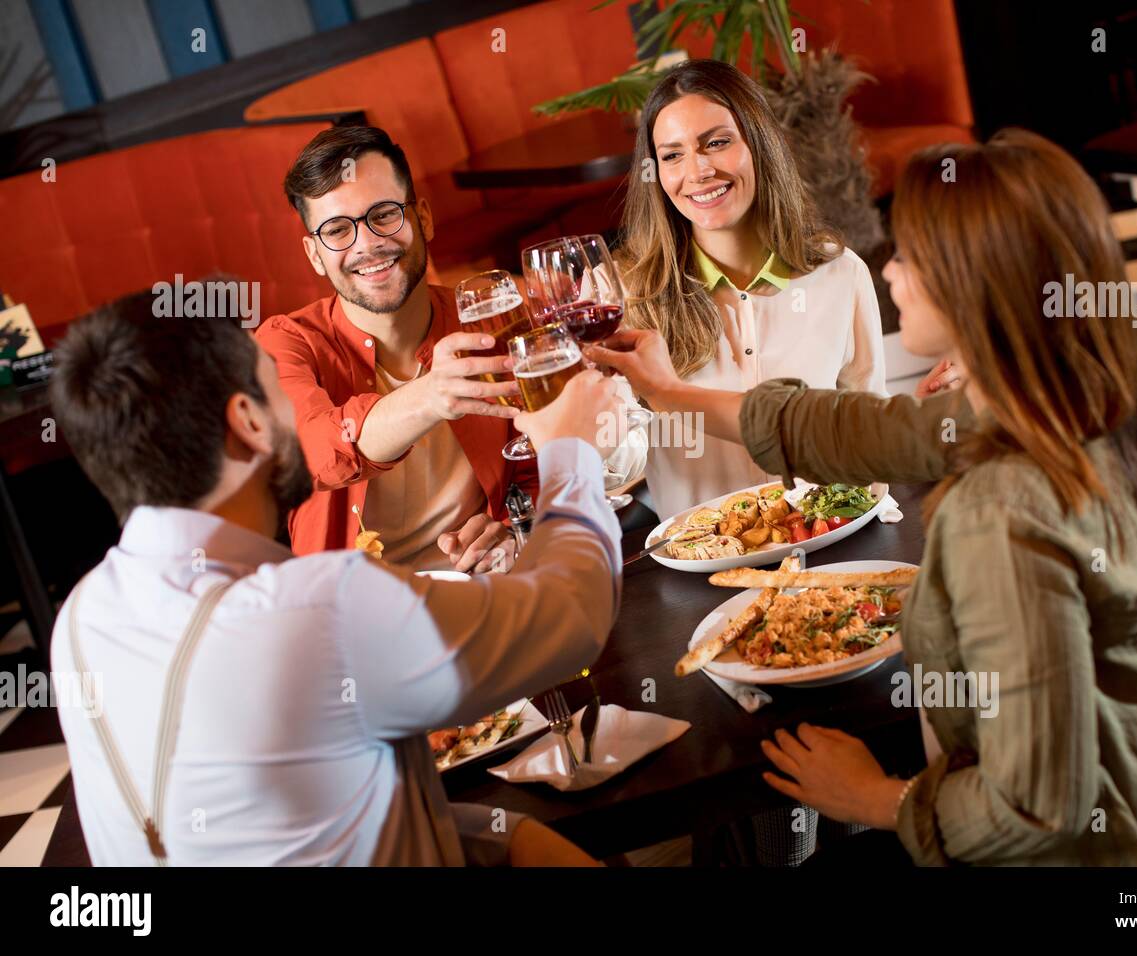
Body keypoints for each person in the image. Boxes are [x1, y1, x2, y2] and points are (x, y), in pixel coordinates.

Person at [591, 129, 1137, 866]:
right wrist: (669, 392)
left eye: (910, 255)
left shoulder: (1000, 511)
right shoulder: (1090, 393)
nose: (890, 273)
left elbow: (1036, 807)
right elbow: (862, 427)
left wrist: (874, 797)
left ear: (971, 285)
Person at [49, 293, 622, 866]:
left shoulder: (79, 617)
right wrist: (571, 453)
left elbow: (296, 830)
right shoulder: (314, 608)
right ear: (249, 422)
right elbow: (574, 615)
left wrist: (506, 840)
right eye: (279, 386)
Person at [257, 125, 644, 570]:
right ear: (313, 254)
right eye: (338, 230)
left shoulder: (488, 317)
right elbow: (306, 455)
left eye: (384, 214)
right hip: (352, 616)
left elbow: (532, 463)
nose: (367, 244)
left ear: (423, 218)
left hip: (484, 594)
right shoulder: (287, 341)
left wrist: (511, 527)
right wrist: (431, 396)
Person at [615, 59, 890, 520]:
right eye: (673, 155)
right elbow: (613, 467)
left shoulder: (840, 273)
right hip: (702, 567)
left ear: (760, 145)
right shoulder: (622, 295)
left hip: (825, 542)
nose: (698, 171)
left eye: (717, 143)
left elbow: (869, 438)